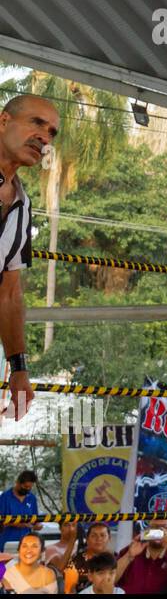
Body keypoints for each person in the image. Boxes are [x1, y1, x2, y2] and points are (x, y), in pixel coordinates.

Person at [0, 95, 59, 422]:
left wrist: (19, 368)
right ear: (3, 121)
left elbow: (8, 293)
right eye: (37, 123)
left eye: (52, 132)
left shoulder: (23, 208)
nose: (45, 137)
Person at [116, 520, 167, 595]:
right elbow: (110, 581)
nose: (159, 531)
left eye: (165, 527)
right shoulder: (128, 551)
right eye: (154, 527)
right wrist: (128, 556)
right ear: (147, 529)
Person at [63, 521, 113, 594]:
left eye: (102, 535)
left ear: (109, 538)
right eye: (94, 535)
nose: (98, 539)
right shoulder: (76, 560)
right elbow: (69, 589)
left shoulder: (115, 558)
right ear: (87, 539)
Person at [0, 470, 38, 551]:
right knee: (4, 564)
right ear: (17, 483)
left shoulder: (32, 498)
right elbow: (1, 522)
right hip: (7, 542)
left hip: (26, 544)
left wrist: (37, 525)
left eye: (29, 488)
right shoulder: (4, 497)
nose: (27, 489)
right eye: (25, 487)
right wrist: (15, 524)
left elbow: (35, 520)